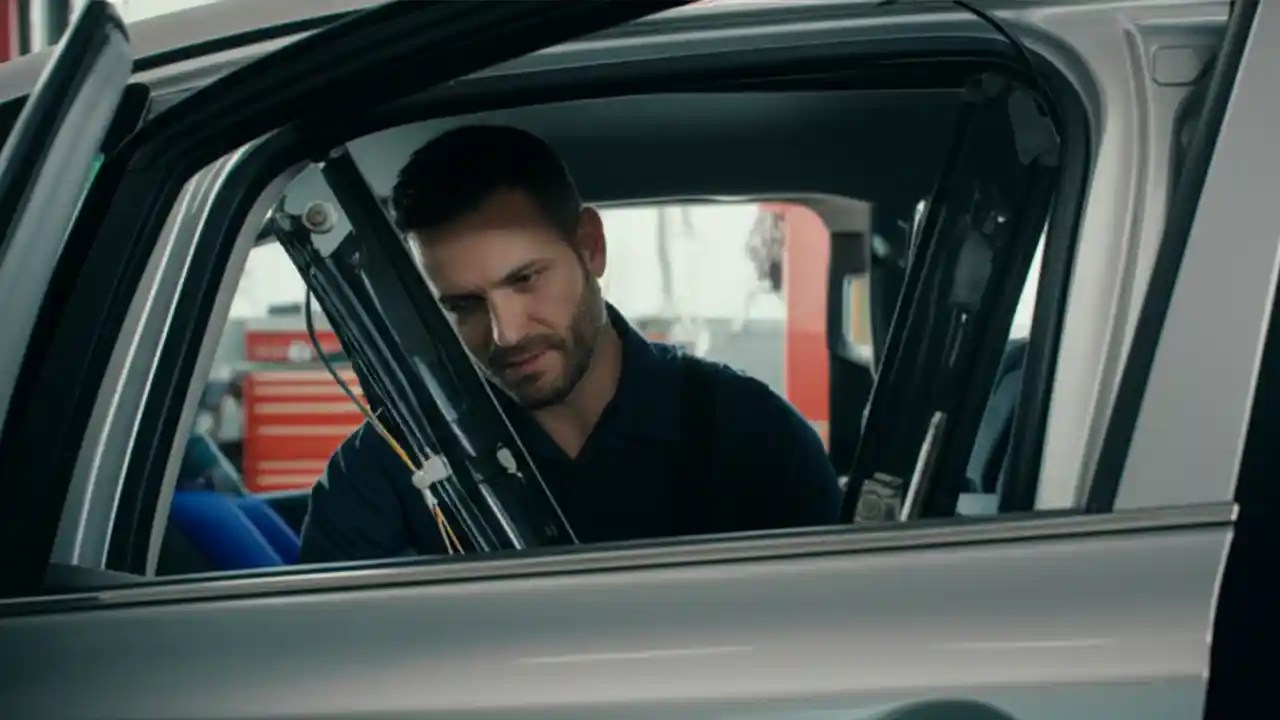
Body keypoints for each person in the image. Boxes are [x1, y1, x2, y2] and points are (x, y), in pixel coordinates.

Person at [298, 125, 841, 563]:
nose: (506, 334)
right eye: (462, 304)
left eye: (525, 279)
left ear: (591, 248)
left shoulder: (755, 437)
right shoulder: (385, 468)